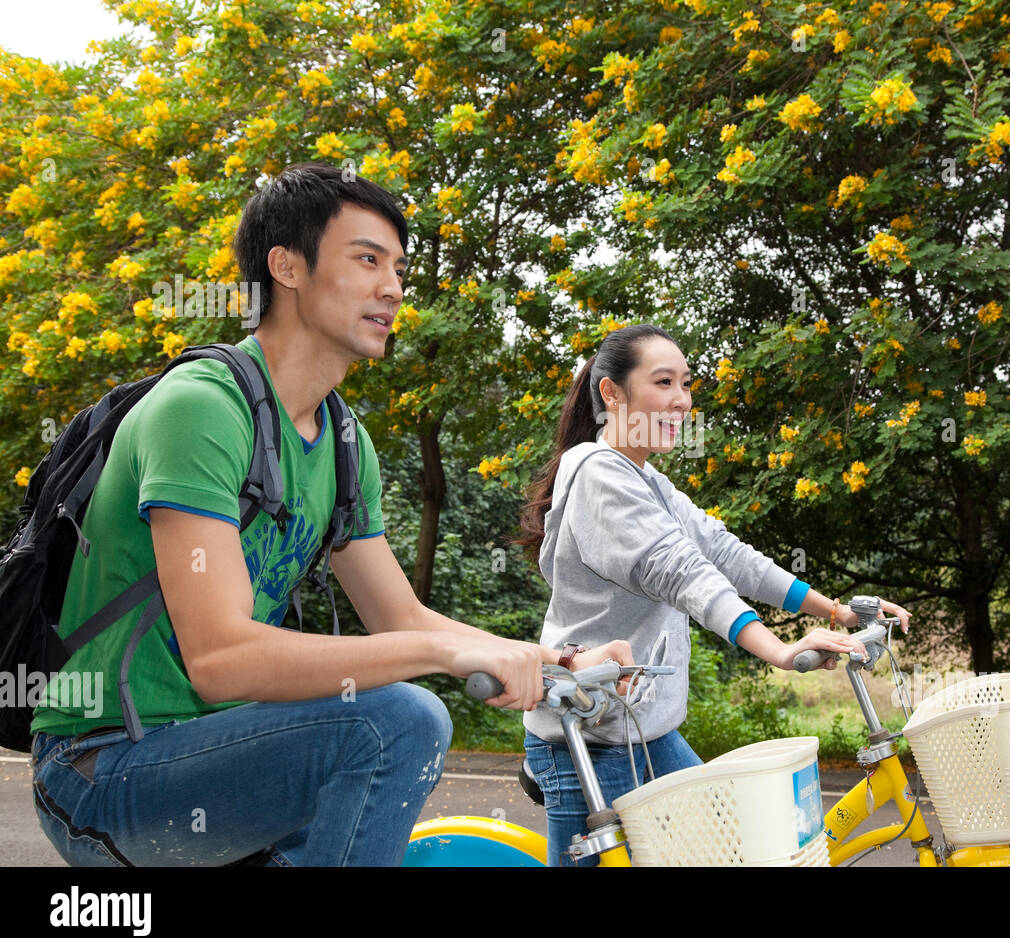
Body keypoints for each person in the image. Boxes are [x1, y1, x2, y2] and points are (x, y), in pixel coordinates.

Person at [28, 162, 628, 867]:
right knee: (394, 723)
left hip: (229, 755)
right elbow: (220, 659)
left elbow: (402, 619)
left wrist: (550, 658)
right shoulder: (202, 408)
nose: (394, 287)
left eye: (399, 267)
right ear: (286, 265)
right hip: (104, 771)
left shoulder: (344, 444)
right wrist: (441, 657)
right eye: (367, 259)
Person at [517, 323, 911, 865]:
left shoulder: (646, 479)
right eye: (663, 383)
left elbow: (726, 554)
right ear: (612, 393)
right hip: (588, 735)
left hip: (645, 731)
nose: (682, 400)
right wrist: (777, 650)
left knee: (731, 853)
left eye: (686, 383)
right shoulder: (598, 475)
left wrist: (836, 611)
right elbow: (683, 573)